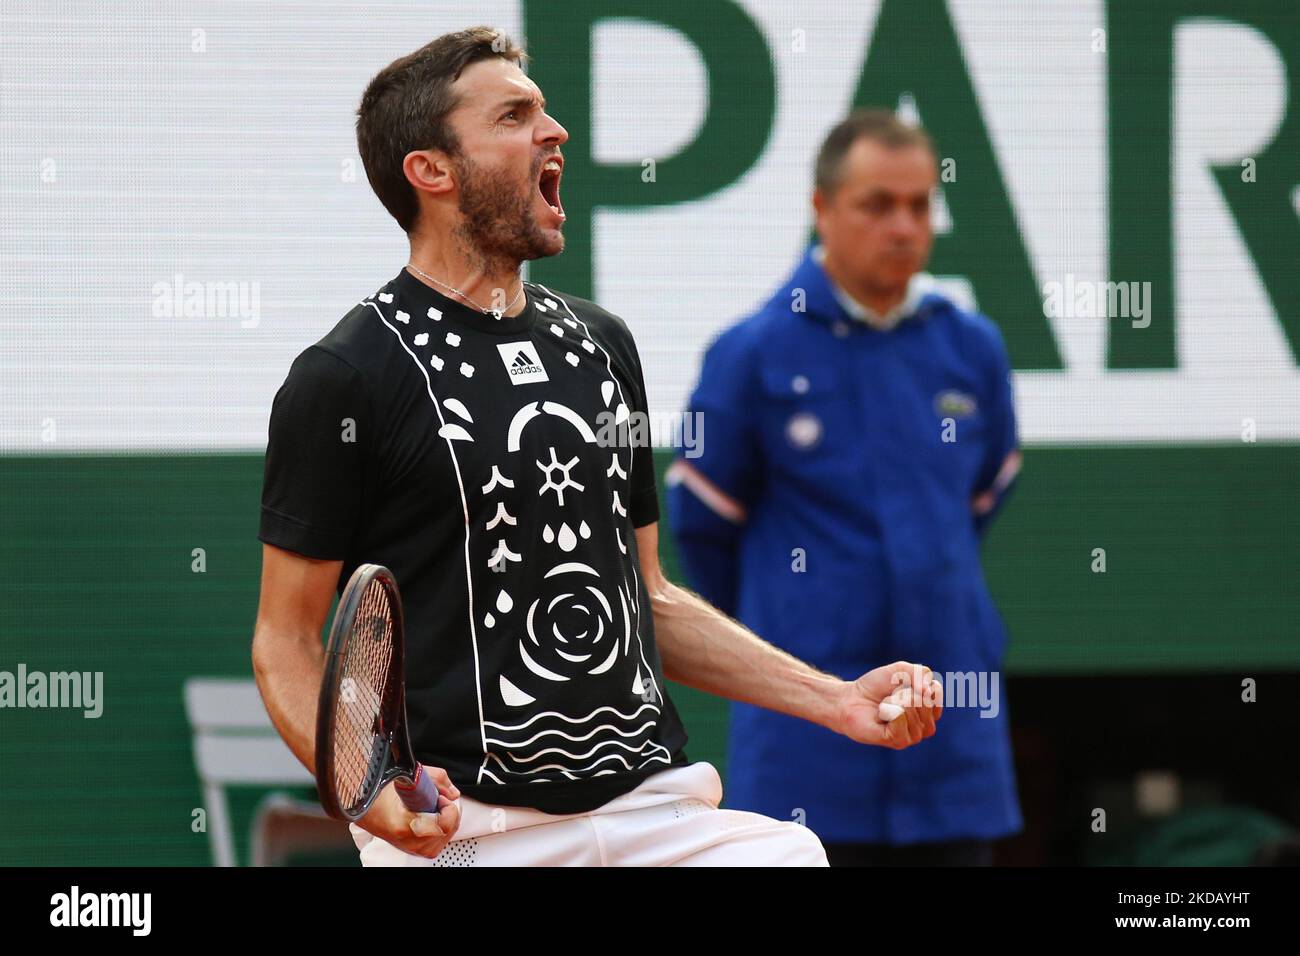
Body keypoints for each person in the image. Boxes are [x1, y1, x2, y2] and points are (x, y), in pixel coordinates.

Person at [250, 31, 942, 867]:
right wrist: (368, 790)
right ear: (431, 171)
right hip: (469, 835)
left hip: (654, 811)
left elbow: (649, 596)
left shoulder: (603, 346)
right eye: (514, 116)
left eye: (542, 110)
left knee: (789, 857)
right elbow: (286, 642)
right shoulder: (344, 377)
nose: (555, 132)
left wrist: (838, 700)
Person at [667, 110, 1023, 866]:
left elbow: (980, 503)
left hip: (951, 751)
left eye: (920, 205)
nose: (903, 227)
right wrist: (794, 624)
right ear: (822, 208)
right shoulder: (750, 354)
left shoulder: (974, 348)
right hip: (807, 750)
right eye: (877, 204)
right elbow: (701, 531)